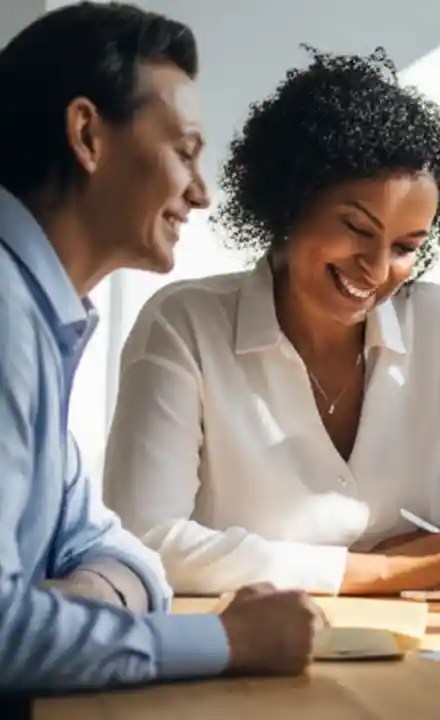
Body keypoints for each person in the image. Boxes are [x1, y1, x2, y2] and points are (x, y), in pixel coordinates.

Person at [103, 48, 440, 597]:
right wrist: (381, 570)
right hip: (249, 654)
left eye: (406, 246)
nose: (378, 267)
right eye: (356, 228)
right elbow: (145, 540)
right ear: (291, 205)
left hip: (431, 647)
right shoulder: (185, 327)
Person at [0, 2, 321, 691]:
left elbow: (114, 547)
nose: (201, 194)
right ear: (88, 135)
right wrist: (226, 640)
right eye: (185, 152)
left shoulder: (38, 313)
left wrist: (79, 611)